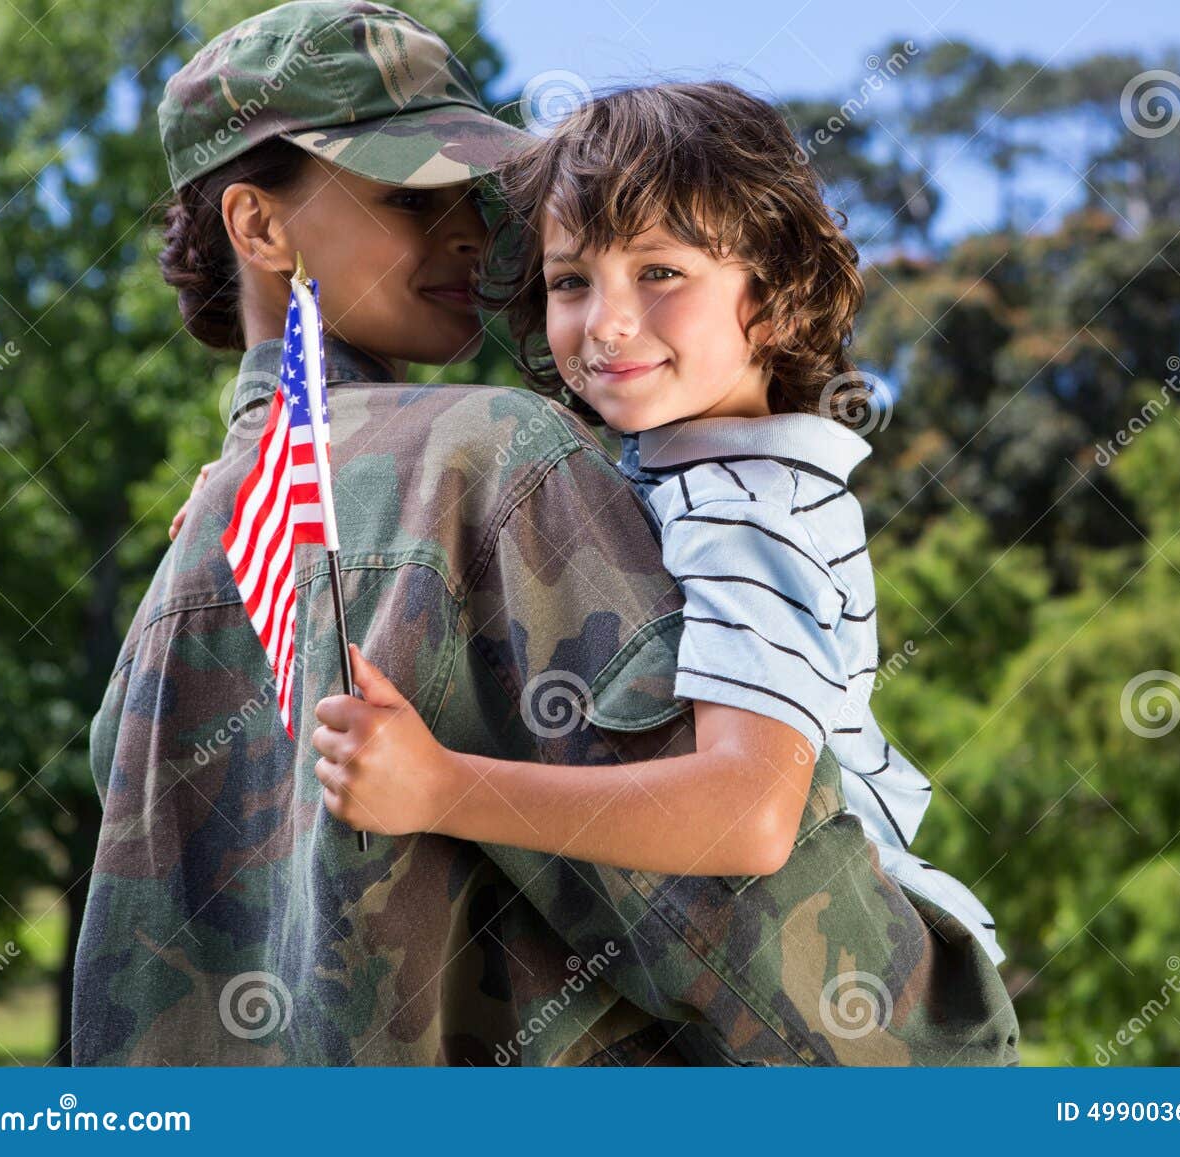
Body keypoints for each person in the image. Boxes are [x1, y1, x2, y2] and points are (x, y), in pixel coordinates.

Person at [78, 0, 1020, 1066]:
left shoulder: (196, 545)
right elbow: (797, 962)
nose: (472, 234)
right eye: (409, 197)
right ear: (259, 226)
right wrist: (955, 1028)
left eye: (473, 199)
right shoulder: (497, 460)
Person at [310, 81, 1006, 971]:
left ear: (776, 292)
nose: (607, 322)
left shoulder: (752, 509)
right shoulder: (671, 470)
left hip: (841, 976)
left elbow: (751, 813)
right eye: (571, 281)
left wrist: (443, 788)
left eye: (661, 272)